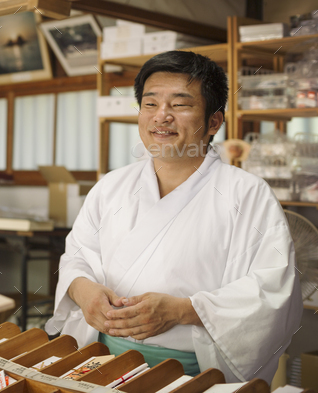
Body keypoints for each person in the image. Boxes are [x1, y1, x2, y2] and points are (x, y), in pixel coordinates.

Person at [45, 51, 303, 383]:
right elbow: (77, 256)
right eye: (150, 104)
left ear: (214, 121)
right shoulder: (111, 186)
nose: (161, 117)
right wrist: (83, 291)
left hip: (193, 374)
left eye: (180, 105)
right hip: (102, 360)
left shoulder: (247, 194)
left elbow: (273, 291)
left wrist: (183, 311)